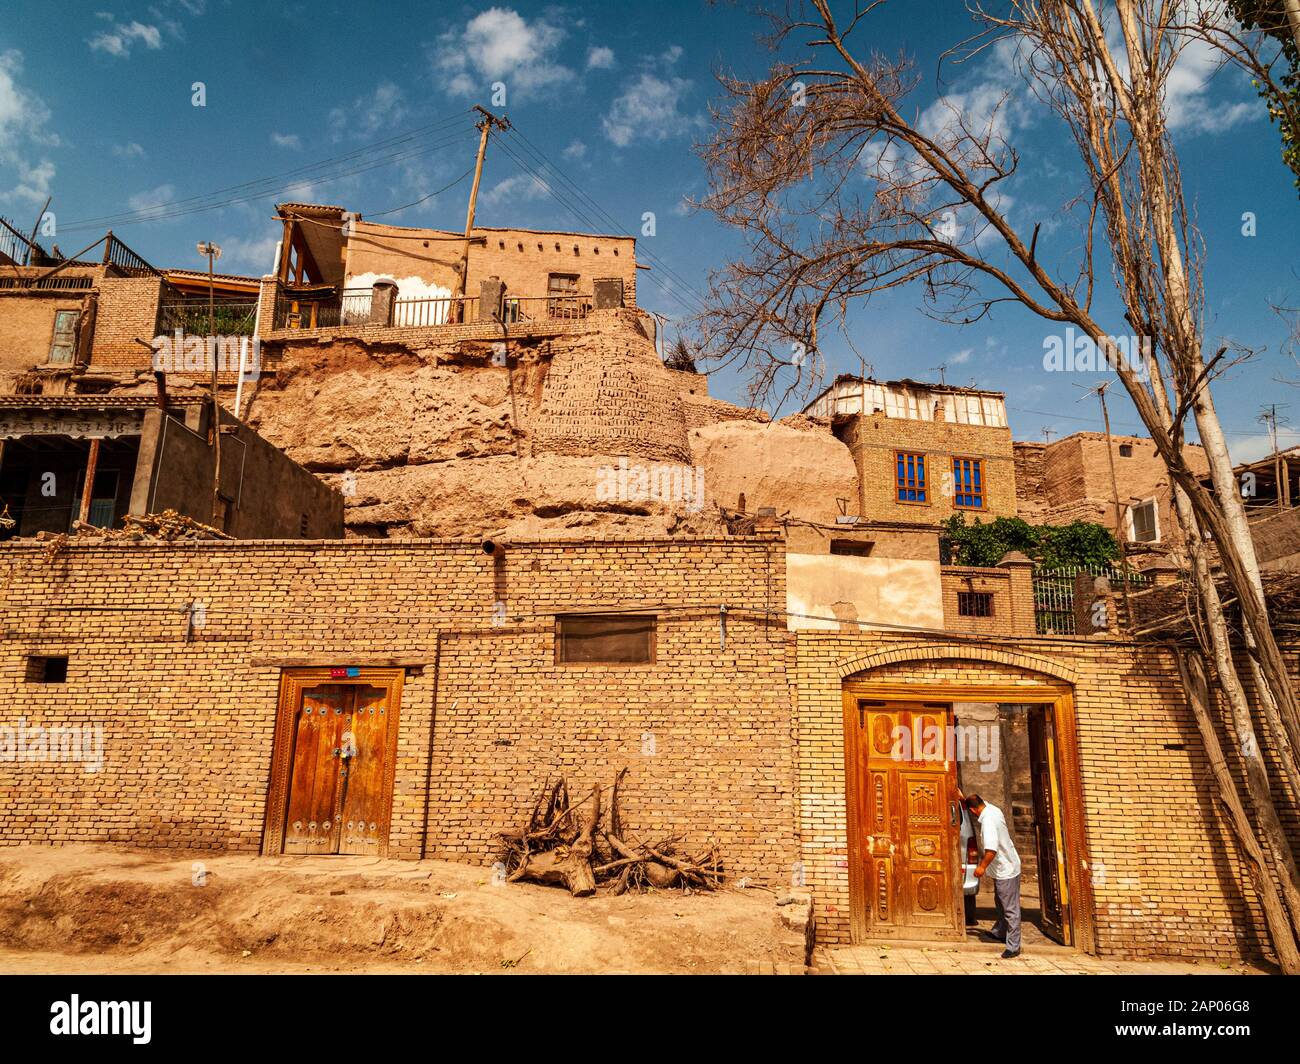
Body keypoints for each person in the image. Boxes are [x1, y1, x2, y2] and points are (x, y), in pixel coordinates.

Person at [965, 794, 1022, 959]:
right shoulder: (991, 809)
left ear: (973, 810)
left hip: (1006, 868)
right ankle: (1000, 932)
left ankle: (1013, 945)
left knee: (1010, 908)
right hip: (1006, 866)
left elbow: (991, 850)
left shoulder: (988, 821)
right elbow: (976, 799)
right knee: (1001, 902)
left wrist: (981, 867)